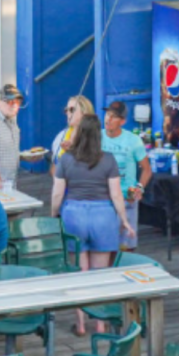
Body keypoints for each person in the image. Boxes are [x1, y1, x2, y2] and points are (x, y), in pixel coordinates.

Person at [52, 115, 134, 334]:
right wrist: (125, 220)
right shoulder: (108, 160)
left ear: (78, 134)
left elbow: (58, 192)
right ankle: (99, 323)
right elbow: (116, 194)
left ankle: (80, 325)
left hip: (74, 215)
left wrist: (53, 214)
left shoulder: (66, 159)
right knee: (100, 275)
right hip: (103, 217)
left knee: (79, 273)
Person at [101, 101, 151, 251]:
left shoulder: (133, 141)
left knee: (127, 247)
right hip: (103, 199)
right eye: (107, 114)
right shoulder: (97, 137)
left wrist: (139, 188)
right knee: (104, 246)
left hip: (126, 197)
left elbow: (147, 169)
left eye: (114, 116)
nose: (108, 119)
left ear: (122, 121)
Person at [51, 95, 96, 165]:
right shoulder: (61, 136)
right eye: (66, 110)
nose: (68, 113)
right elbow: (55, 166)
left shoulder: (95, 136)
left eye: (72, 110)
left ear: (85, 112)